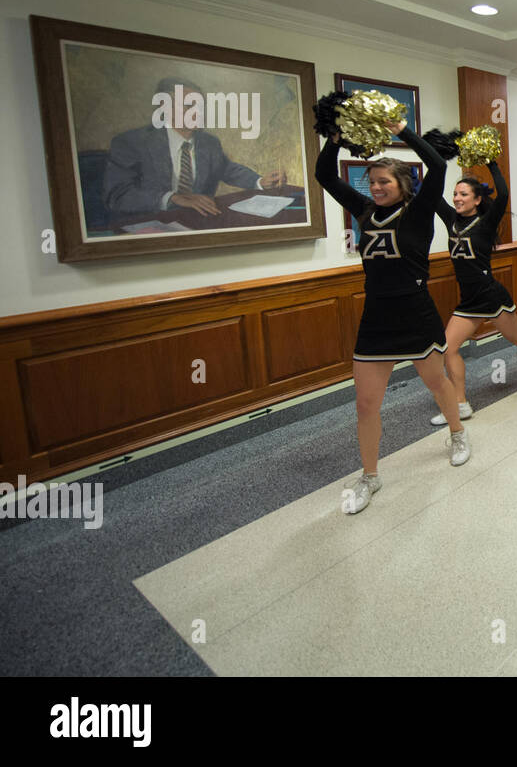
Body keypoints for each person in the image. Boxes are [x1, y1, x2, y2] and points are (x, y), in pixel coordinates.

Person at [314, 117, 469, 514]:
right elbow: (324, 175)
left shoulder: (417, 213)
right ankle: (370, 475)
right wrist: (335, 137)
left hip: (416, 313)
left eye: (385, 181)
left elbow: (436, 166)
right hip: (377, 318)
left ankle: (457, 433)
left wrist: (401, 130)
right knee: (366, 404)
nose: (378, 187)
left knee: (437, 383)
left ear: (401, 184)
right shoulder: (364, 210)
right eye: (373, 181)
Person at [430, 163, 517, 425]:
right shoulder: (451, 219)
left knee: (516, 337)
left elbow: (504, 195)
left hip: (491, 297)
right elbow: (432, 194)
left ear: (477, 199)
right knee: (447, 349)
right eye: (455, 194)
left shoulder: (485, 222)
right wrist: (427, 167)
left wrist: (492, 163)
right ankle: (460, 404)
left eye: (464, 194)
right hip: (469, 300)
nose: (457, 198)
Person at [103, 78, 286, 221]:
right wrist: (171, 198)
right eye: (190, 105)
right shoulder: (132, 142)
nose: (199, 112)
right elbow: (118, 196)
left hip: (198, 223)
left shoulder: (209, 143)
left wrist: (260, 181)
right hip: (148, 227)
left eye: (201, 106)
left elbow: (227, 168)